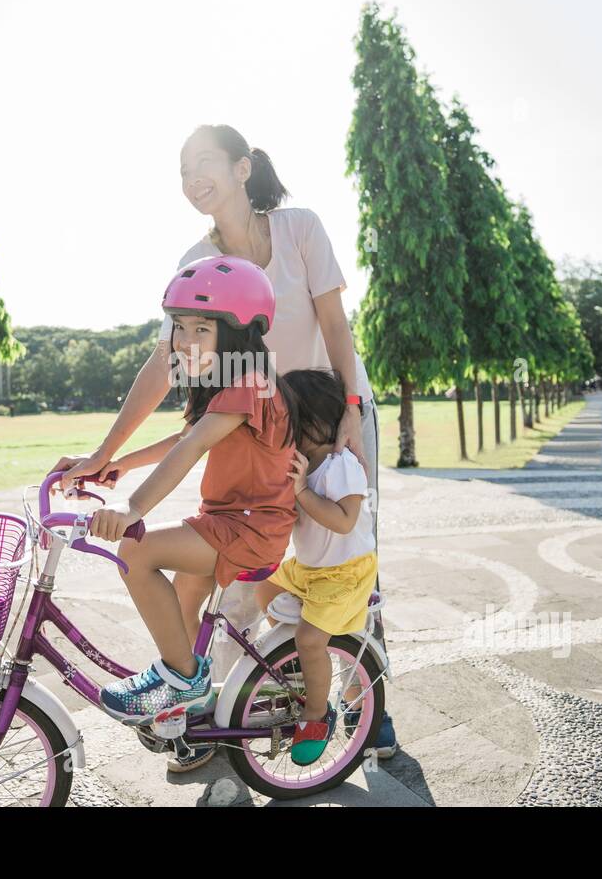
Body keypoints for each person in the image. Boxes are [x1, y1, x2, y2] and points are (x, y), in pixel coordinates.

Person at [50, 123, 397, 767]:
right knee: (224, 584)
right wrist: (106, 456)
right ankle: (202, 710)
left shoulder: (298, 228)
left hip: (332, 408)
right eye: (182, 169)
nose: (191, 178)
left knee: (345, 556)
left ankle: (362, 697)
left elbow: (333, 322)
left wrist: (349, 412)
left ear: (243, 168)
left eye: (203, 162)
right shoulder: (198, 262)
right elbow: (169, 364)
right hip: (263, 423)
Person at [87, 257, 299, 723]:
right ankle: (184, 709)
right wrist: (120, 464)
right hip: (224, 522)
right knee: (180, 623)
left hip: (248, 530)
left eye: (201, 329)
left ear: (240, 332)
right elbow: (186, 436)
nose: (183, 340)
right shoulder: (224, 381)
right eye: (179, 326)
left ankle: (183, 683)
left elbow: (193, 446)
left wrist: (132, 507)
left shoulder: (251, 383)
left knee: (135, 551)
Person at [248, 368, 377, 765]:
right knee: (263, 583)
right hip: (308, 567)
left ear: (317, 424)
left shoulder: (342, 465)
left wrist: (301, 490)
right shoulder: (302, 462)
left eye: (291, 421)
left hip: (344, 574)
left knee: (309, 640)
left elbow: (343, 520)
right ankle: (303, 666)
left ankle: (318, 714)